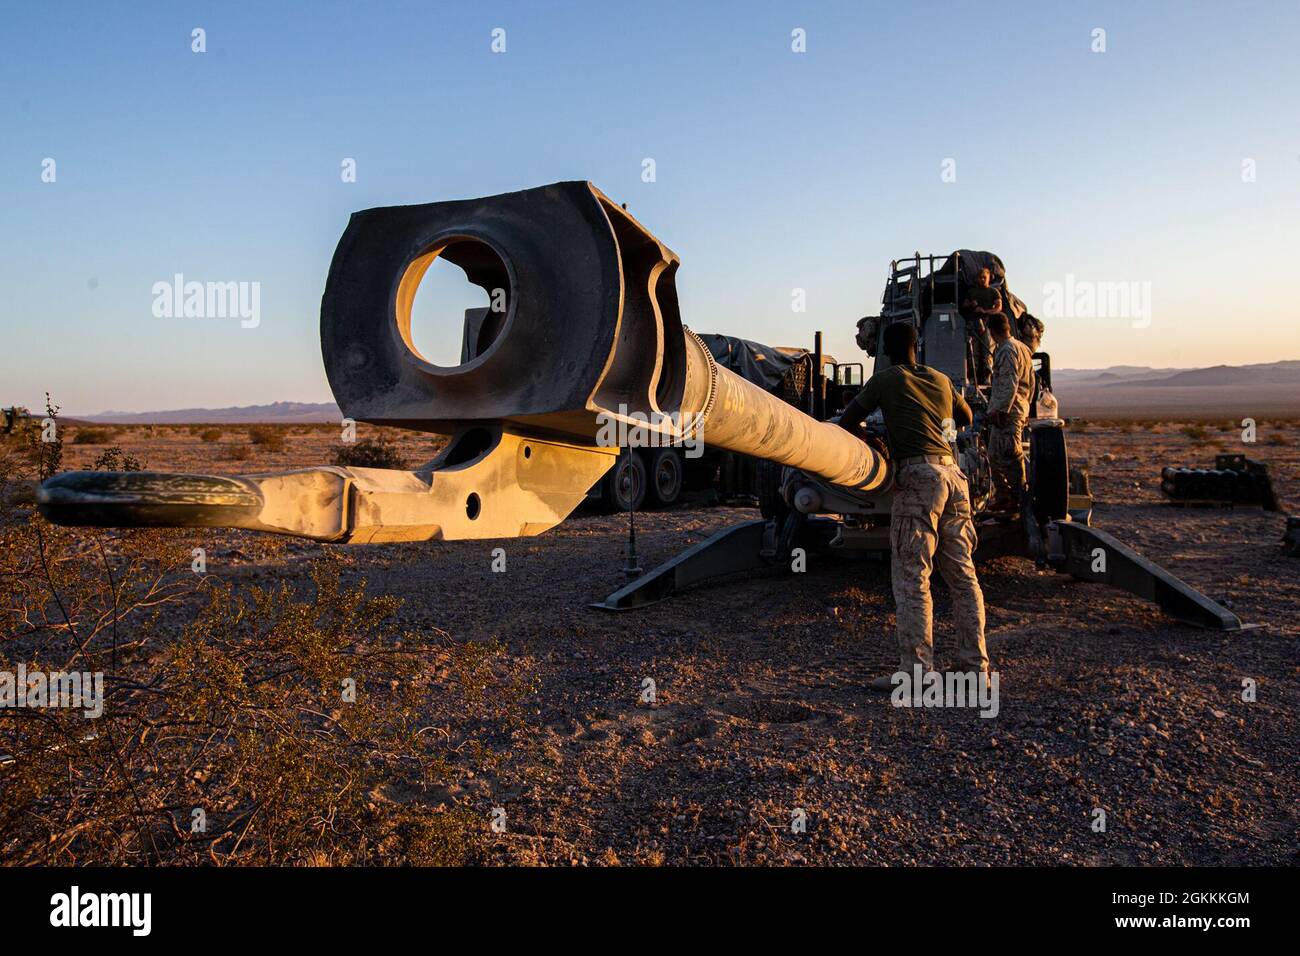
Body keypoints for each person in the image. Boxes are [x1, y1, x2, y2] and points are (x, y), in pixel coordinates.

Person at [839, 322, 989, 688]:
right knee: (963, 576)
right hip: (954, 478)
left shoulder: (886, 379)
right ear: (916, 345)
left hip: (919, 478)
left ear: (885, 351)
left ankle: (918, 674)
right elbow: (966, 418)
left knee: (912, 578)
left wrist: (877, 439)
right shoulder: (939, 379)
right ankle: (975, 670)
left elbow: (847, 420)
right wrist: (942, 428)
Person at [987, 311, 1035, 512]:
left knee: (1004, 454)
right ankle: (1011, 496)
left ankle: (1013, 497)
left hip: (1008, 409)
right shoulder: (1023, 348)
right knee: (1001, 453)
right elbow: (1032, 382)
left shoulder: (1006, 350)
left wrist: (1000, 409)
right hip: (1019, 406)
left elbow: (1009, 382)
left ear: (992, 331)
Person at [960, 267, 1002, 385]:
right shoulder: (972, 292)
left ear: (989, 277)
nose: (982, 279)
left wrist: (985, 311)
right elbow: (964, 305)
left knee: (987, 350)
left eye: (984, 277)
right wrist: (971, 304)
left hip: (988, 325)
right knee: (973, 352)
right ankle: (973, 377)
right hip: (973, 325)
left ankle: (987, 376)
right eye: (980, 277)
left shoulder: (993, 292)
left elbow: (998, 308)